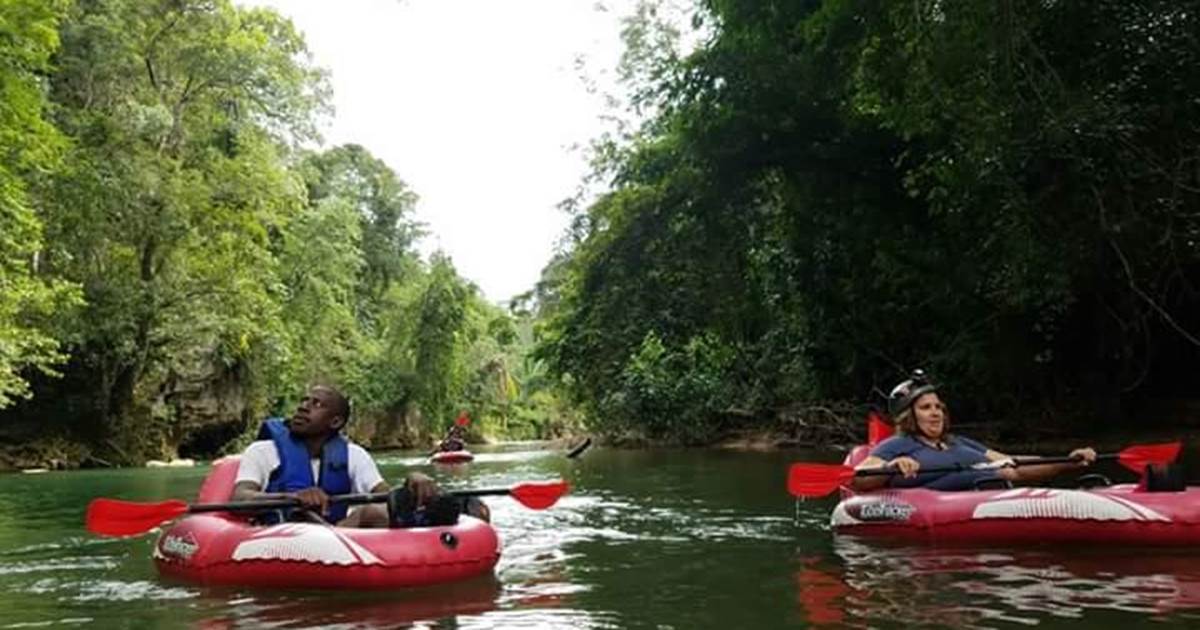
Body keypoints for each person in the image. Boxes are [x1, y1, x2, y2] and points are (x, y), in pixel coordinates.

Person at [232, 385, 489, 527]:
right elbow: (240, 497)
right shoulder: (263, 451)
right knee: (368, 515)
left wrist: (413, 482)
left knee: (377, 511)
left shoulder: (353, 455)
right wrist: (293, 497)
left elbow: (386, 497)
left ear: (335, 422)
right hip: (279, 535)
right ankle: (428, 519)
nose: (303, 407)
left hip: (335, 535)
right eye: (304, 401)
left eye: (316, 404)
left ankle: (441, 512)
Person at [852, 370, 1097, 491]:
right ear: (909, 416)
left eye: (938, 407)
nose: (936, 412)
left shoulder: (961, 442)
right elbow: (859, 475)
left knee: (1007, 473)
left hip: (992, 496)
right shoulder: (898, 445)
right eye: (926, 408)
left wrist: (1068, 461)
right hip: (939, 506)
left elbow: (1014, 466)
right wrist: (892, 466)